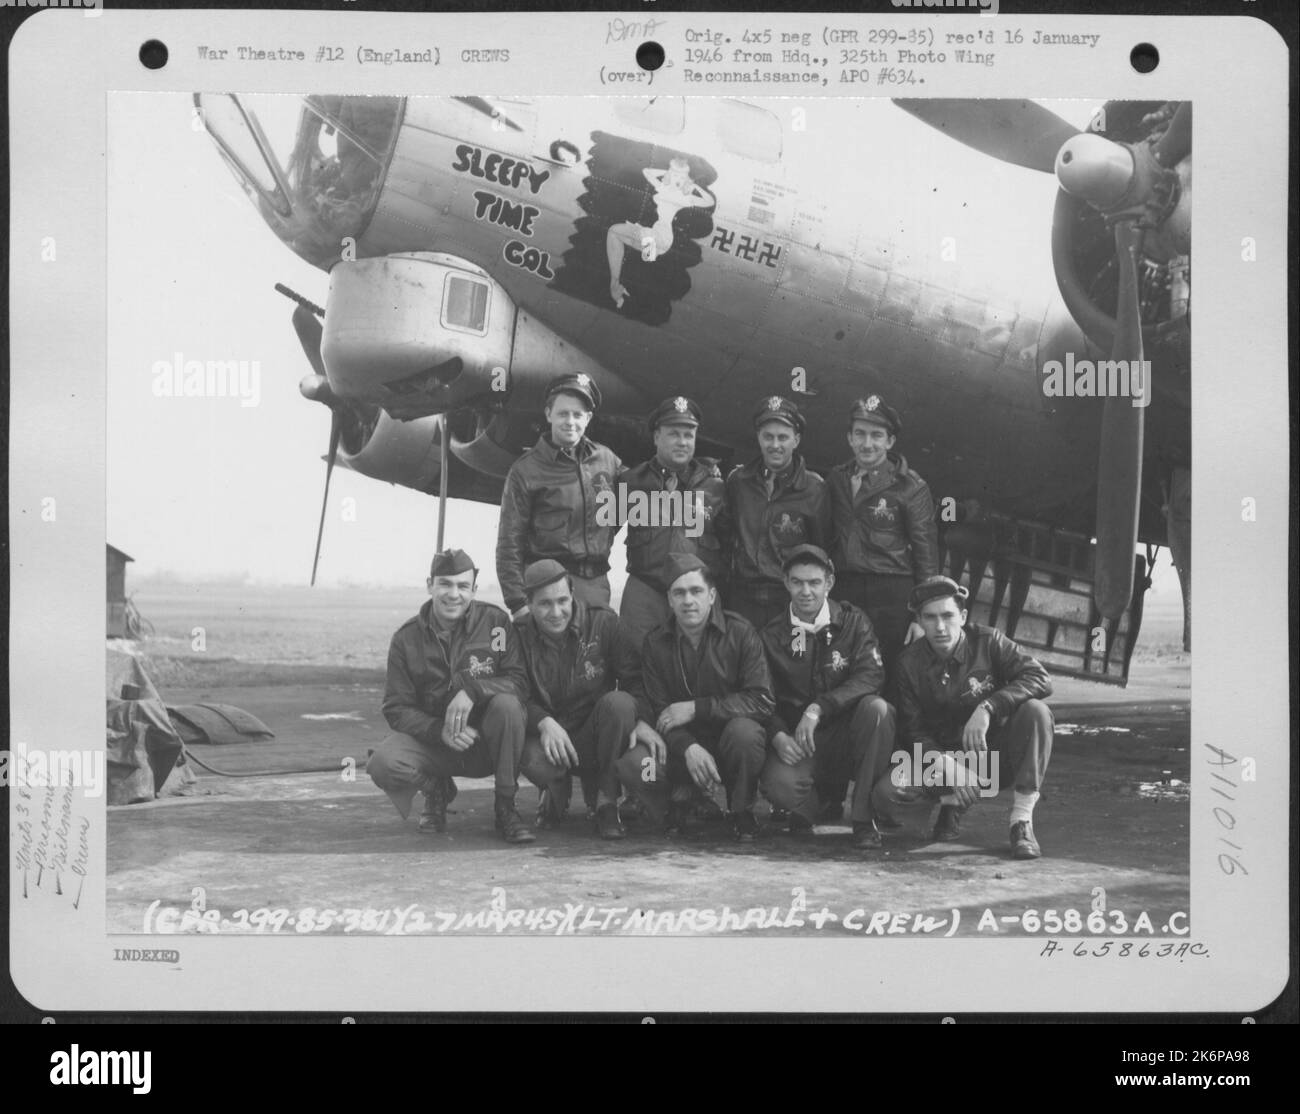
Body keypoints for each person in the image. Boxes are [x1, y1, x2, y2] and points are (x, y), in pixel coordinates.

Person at [366, 549, 535, 845]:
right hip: (437, 745)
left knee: (508, 705)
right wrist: (438, 731)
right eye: (445, 584)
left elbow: (518, 681)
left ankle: (506, 807)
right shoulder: (406, 639)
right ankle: (436, 791)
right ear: (429, 584)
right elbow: (396, 707)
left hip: (486, 742)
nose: (453, 594)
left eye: (462, 586)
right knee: (383, 762)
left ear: (474, 590)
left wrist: (474, 690)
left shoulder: (495, 623)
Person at [889, 576, 1054, 860]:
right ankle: (951, 801)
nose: (940, 627)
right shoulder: (907, 663)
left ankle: (1021, 822)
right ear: (919, 620)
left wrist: (989, 707)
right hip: (940, 764)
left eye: (948, 616)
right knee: (889, 792)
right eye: (930, 617)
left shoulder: (988, 642)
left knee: (1037, 712)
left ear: (963, 616)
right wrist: (950, 769)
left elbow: (1039, 678)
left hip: (988, 759)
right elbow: (912, 731)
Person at [615, 554, 775, 842]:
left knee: (746, 733)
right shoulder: (656, 642)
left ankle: (742, 811)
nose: (688, 600)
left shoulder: (740, 633)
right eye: (679, 593)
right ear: (669, 600)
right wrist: (688, 747)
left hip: (728, 748)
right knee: (636, 763)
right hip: (680, 750)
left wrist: (697, 709)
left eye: (696, 591)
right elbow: (660, 708)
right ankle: (670, 805)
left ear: (712, 595)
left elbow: (761, 700)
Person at [758, 546, 897, 849]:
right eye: (797, 582)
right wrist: (778, 735)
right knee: (780, 786)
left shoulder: (853, 622)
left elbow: (871, 675)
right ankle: (812, 804)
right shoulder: (771, 635)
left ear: (829, 583)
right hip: (800, 741)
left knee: (878, 710)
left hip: (845, 733)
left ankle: (863, 818)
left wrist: (820, 706)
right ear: (786, 583)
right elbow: (761, 696)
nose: (806, 591)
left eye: (814, 582)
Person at [514, 559, 663, 840]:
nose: (556, 612)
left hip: (593, 735)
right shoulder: (517, 635)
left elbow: (634, 679)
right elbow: (514, 691)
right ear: (529, 604)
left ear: (572, 593)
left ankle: (606, 799)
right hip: (547, 740)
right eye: (544, 604)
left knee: (619, 703)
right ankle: (555, 785)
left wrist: (642, 719)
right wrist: (543, 721)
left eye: (562, 600)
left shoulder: (604, 622)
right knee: (533, 759)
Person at [826, 395, 939, 690]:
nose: (867, 444)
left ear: (890, 442)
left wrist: (920, 614)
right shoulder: (836, 479)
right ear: (849, 438)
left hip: (891, 596)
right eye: (860, 434)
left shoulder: (911, 487)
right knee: (841, 669)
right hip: (846, 589)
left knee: (887, 676)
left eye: (876, 436)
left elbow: (926, 554)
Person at [497, 372, 622, 620]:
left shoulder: (607, 460)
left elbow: (637, 496)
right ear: (548, 414)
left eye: (577, 415)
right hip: (547, 586)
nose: (570, 421)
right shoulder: (525, 470)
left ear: (588, 418)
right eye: (563, 413)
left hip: (594, 586)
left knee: (594, 656)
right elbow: (509, 544)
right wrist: (518, 604)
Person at [616, 395, 729, 646]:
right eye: (673, 434)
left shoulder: (715, 488)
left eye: (688, 435)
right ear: (657, 437)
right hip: (646, 592)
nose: (682, 442)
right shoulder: (631, 483)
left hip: (694, 595)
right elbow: (598, 536)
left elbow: (731, 546)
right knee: (636, 663)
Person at [724, 395, 830, 630]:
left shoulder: (814, 489)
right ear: (758, 438)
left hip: (788, 598)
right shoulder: (738, 482)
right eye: (768, 437)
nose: (775, 445)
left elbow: (822, 551)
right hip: (743, 597)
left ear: (796, 439)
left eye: (783, 437)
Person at [606, 159, 716, 309]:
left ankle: (639, 281)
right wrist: (669, 173)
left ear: (686, 178)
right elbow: (647, 172)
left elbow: (709, 201)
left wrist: (692, 185)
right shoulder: (663, 187)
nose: (677, 178)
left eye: (681, 176)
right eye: (674, 174)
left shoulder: (685, 197)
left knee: (645, 252)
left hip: (661, 235)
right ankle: (615, 285)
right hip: (656, 236)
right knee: (614, 233)